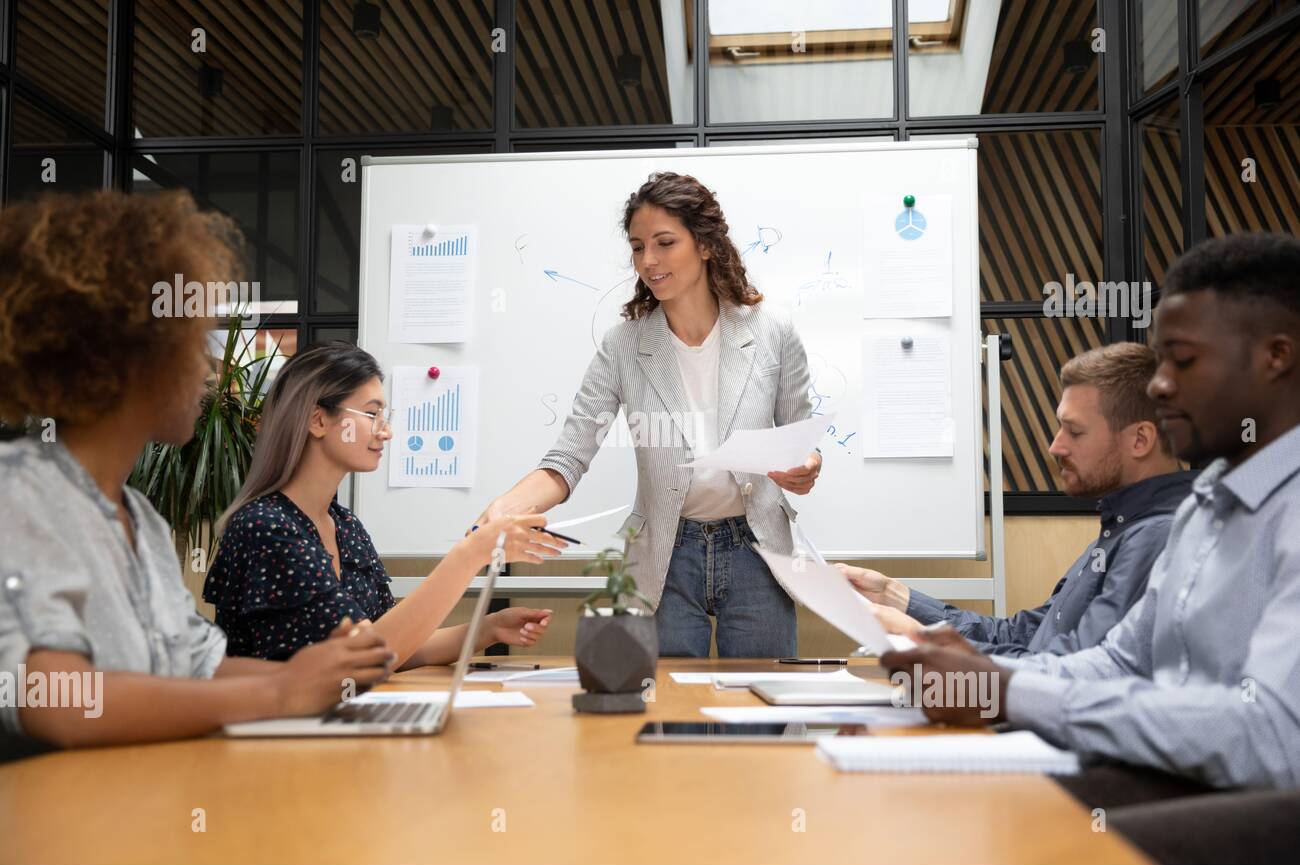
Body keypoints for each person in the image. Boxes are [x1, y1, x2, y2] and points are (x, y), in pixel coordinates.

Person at [880, 233, 1300, 806]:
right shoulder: (1204, 505)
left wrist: (1005, 690)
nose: (1159, 384)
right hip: (1178, 781)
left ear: (1276, 356)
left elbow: (1271, 736)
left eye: (1184, 360)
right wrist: (982, 677)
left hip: (1260, 808)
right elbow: (1124, 659)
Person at [0, 190, 393, 753]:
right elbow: (57, 700)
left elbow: (198, 667)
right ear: (129, 357)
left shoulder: (139, 518)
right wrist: (282, 690)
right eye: (191, 345)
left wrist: (327, 679)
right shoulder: (20, 492)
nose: (208, 373)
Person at [473, 172, 822, 658]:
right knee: (669, 717)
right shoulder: (624, 346)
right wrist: (507, 505)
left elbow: (800, 439)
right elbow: (570, 454)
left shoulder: (772, 333)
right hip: (665, 553)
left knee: (762, 716)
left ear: (704, 245)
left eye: (664, 243)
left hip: (758, 550)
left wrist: (806, 466)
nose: (649, 262)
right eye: (638, 248)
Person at [205, 343, 565, 666]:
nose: (386, 431)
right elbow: (369, 654)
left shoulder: (345, 526)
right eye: (371, 414)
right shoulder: (266, 527)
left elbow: (396, 644)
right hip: (276, 735)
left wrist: (487, 629)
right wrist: (469, 555)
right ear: (318, 420)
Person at [840, 343, 1192, 656]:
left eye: (1075, 431)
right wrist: (895, 596)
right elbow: (1025, 635)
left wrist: (918, 637)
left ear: (1140, 440)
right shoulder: (1122, 525)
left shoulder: (1157, 537)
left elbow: (1065, 672)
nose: (1056, 446)